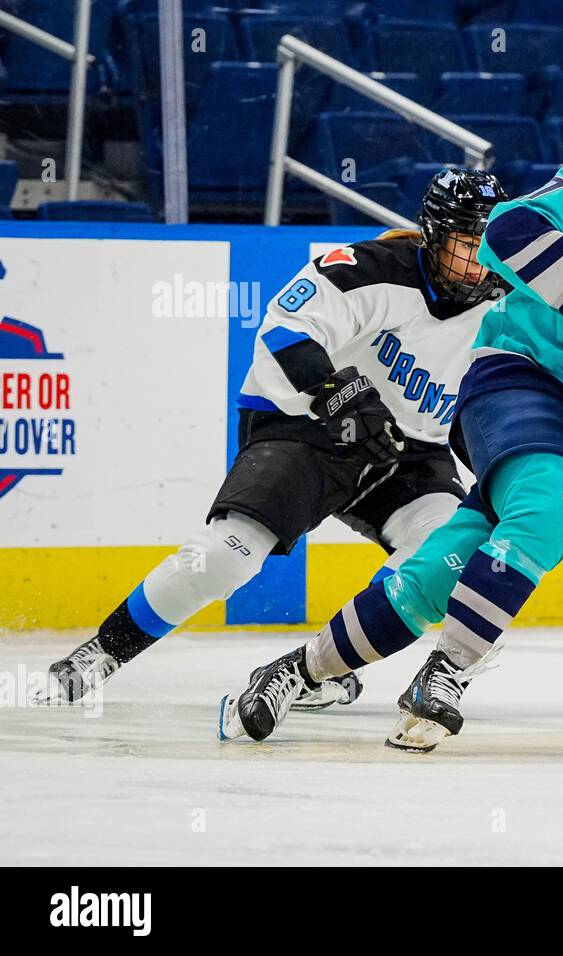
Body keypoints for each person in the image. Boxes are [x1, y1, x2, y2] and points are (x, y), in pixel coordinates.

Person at [218, 84, 563, 748]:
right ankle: (445, 674)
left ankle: (297, 671)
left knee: (433, 580)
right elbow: (508, 229)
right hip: (520, 375)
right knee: (546, 513)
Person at [34, 169, 509, 711]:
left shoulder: (508, 310)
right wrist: (346, 397)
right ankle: (102, 652)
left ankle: (313, 668)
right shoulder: (372, 269)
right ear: (435, 234)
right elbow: (286, 330)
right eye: (469, 243)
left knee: (451, 551)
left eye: (492, 245)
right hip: (309, 424)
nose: (482, 261)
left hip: (408, 453)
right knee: (224, 557)